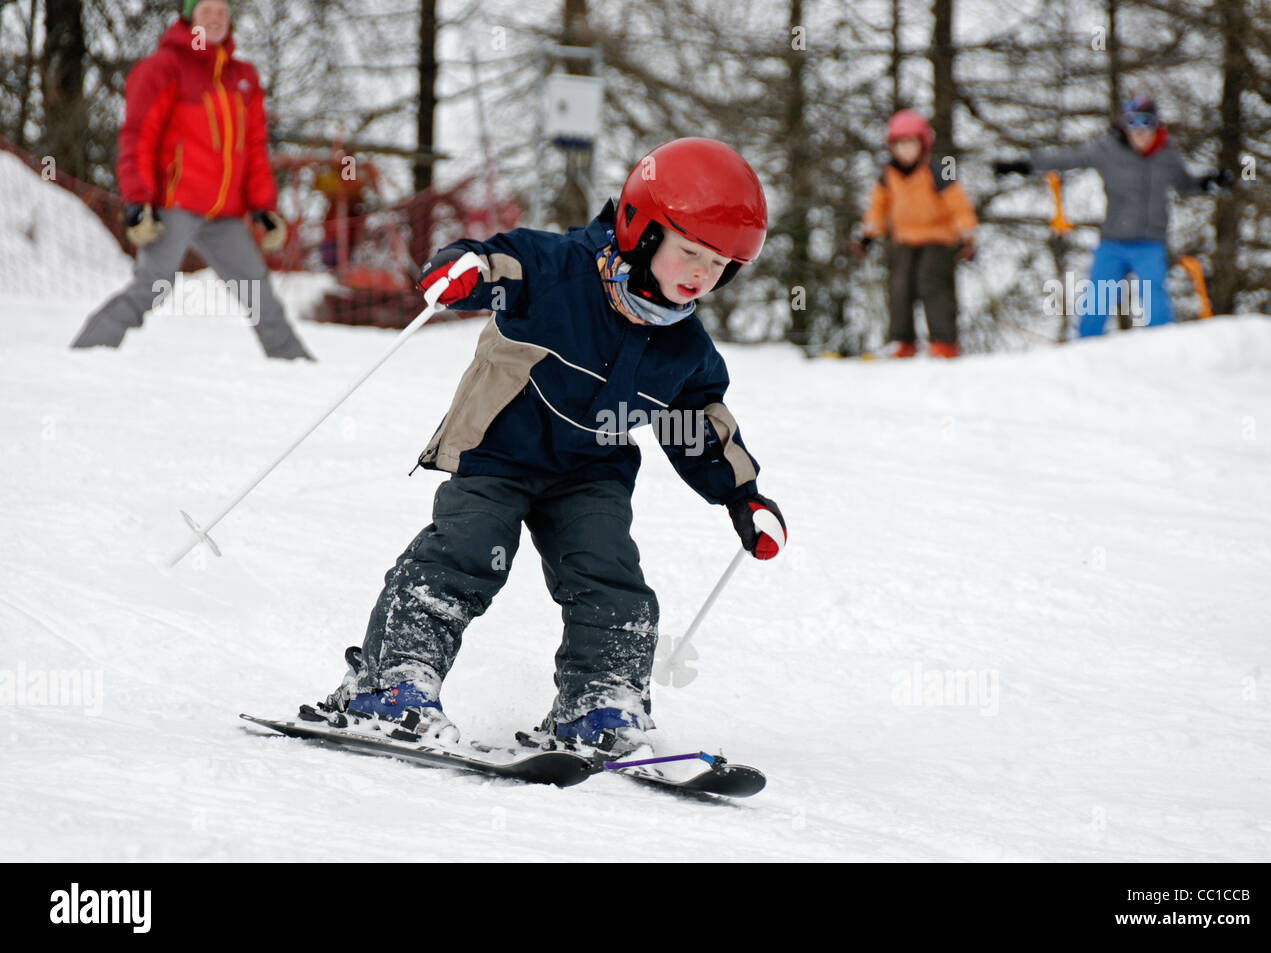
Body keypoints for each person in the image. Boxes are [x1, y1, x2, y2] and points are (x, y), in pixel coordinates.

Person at [302, 138, 787, 755]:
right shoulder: (560, 270)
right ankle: (391, 681)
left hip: (591, 472)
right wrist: (464, 269)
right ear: (640, 231)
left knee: (610, 578)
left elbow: (700, 423)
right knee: (467, 553)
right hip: (500, 448)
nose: (700, 274)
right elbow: (502, 263)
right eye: (689, 252)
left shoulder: (683, 348)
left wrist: (742, 497)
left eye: (718, 266)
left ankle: (600, 701)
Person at [70, 0, 312, 360]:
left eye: (222, 12)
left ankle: (296, 365)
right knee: (152, 285)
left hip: (224, 212)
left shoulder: (242, 77)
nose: (215, 19)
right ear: (188, 17)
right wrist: (138, 202)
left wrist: (263, 206)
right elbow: (138, 137)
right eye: (206, 11)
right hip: (176, 204)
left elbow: (254, 147)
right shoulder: (163, 68)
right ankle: (86, 351)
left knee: (256, 287)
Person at [994, 95, 1232, 337]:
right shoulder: (1108, 150)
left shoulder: (1167, 155)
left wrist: (1209, 182)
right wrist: (1022, 165)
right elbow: (1067, 158)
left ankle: (1162, 355)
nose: (1140, 131)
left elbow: (1185, 183)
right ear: (1124, 126)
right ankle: (1086, 353)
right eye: (1133, 123)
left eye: (1146, 123)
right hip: (1114, 243)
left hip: (1150, 244)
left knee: (1155, 302)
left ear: (1156, 124)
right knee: (1096, 304)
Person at [856, 109, 978, 359]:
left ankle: (944, 341)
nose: (905, 150)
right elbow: (877, 208)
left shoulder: (938, 169)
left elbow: (958, 204)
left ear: (922, 144)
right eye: (899, 144)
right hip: (904, 239)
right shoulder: (888, 174)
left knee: (930, 282)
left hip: (938, 238)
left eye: (910, 143)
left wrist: (968, 236)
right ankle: (902, 341)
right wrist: (868, 235)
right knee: (899, 286)